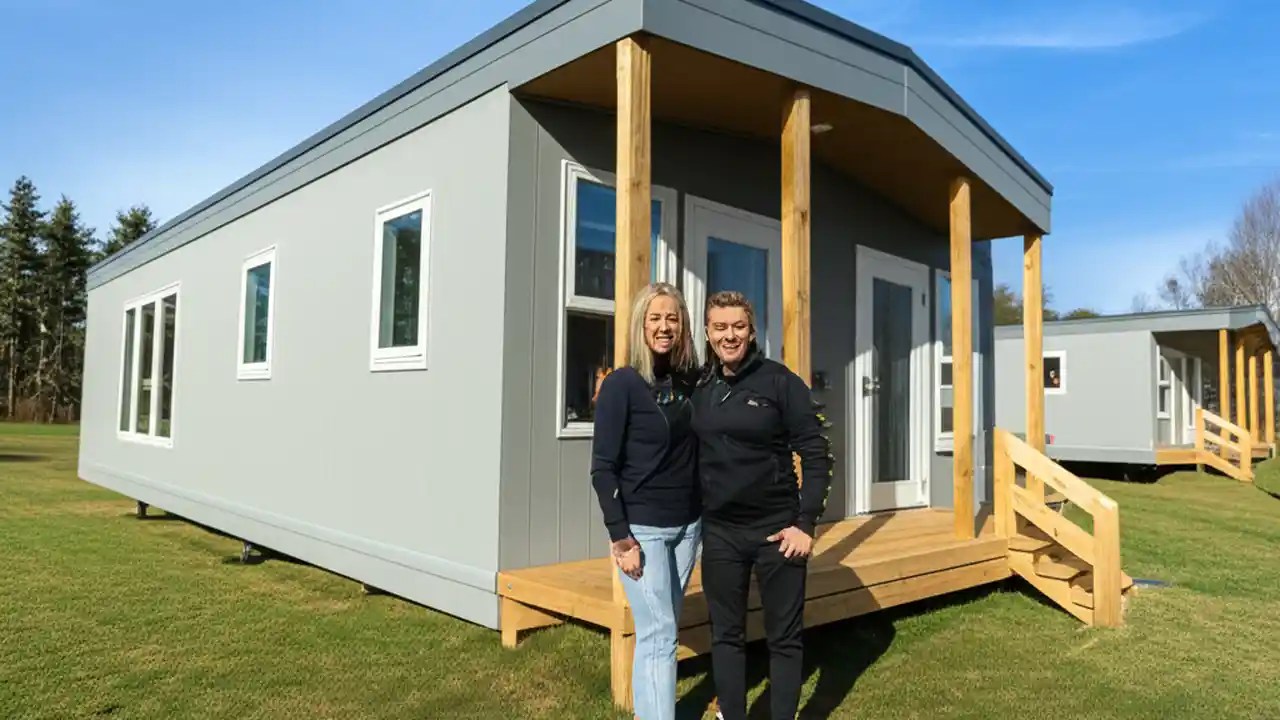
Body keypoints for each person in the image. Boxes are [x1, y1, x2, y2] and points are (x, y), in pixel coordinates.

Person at [692, 290, 832, 720]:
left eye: (738, 326)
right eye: (720, 327)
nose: (729, 335)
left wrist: (805, 523)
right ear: (708, 333)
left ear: (752, 331)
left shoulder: (780, 381)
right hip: (721, 533)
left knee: (784, 639)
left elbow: (817, 453)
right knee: (726, 634)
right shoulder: (702, 385)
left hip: (777, 532)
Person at [590, 281, 703, 720]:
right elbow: (603, 468)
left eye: (672, 318)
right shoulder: (621, 385)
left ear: (683, 325)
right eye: (655, 318)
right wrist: (621, 537)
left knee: (661, 631)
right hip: (643, 531)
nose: (664, 326)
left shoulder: (692, 381)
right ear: (640, 324)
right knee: (660, 634)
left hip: (688, 526)